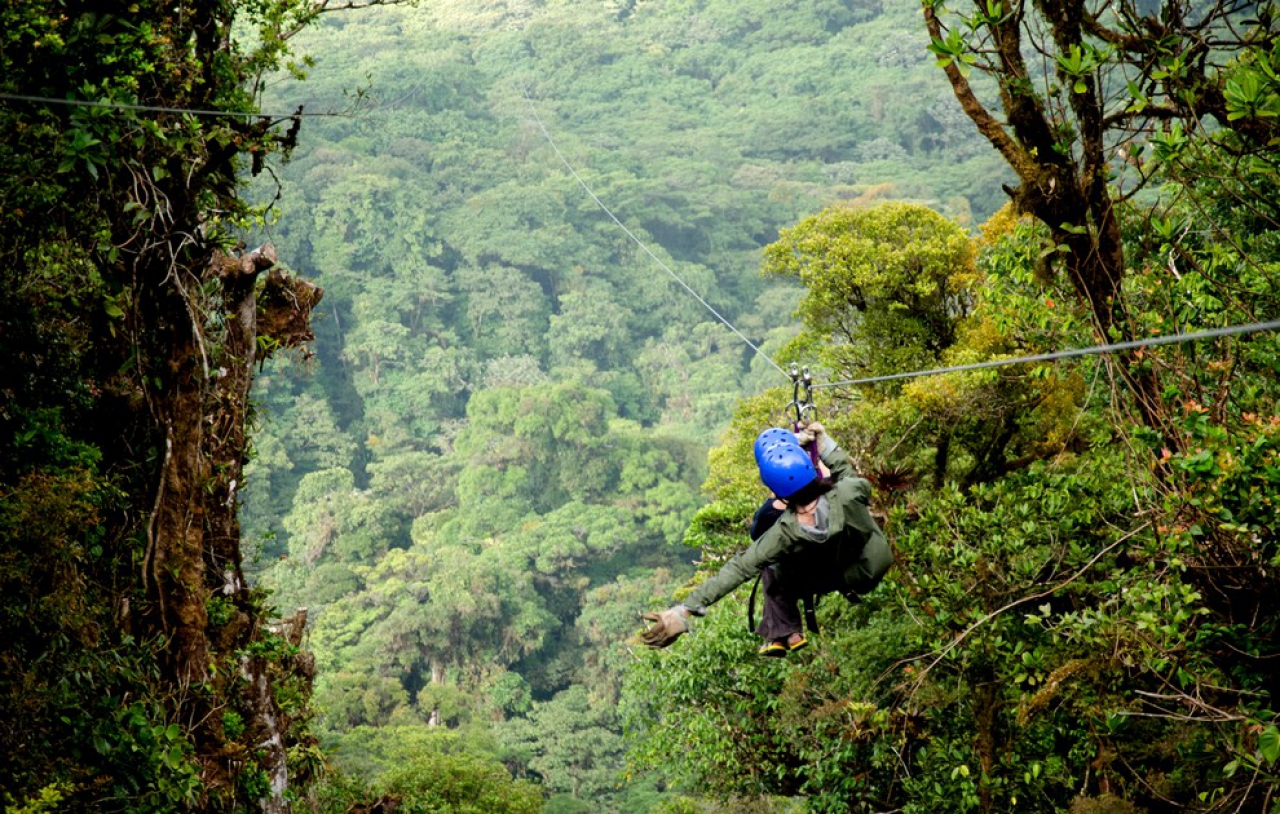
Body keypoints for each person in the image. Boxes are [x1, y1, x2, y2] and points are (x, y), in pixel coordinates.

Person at [640, 422, 892, 655]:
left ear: (778, 492)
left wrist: (685, 608)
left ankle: (784, 632)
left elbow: (740, 567)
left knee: (771, 566)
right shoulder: (849, 493)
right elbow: (846, 472)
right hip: (869, 563)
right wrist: (824, 444)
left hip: (831, 577)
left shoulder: (783, 532)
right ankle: (786, 633)